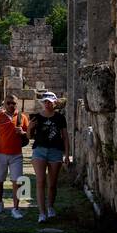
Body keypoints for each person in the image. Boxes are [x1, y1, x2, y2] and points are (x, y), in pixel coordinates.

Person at [29, 91, 69, 223]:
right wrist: (30, 127)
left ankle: (50, 206)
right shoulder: (36, 117)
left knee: (52, 183)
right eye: (45, 102)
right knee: (40, 182)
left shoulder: (60, 118)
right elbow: (29, 137)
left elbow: (65, 137)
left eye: (50, 102)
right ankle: (42, 213)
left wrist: (67, 155)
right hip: (39, 151)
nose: (47, 104)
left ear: (54, 103)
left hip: (55, 151)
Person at [0, 94, 29, 218]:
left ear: (17, 104)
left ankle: (16, 208)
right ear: (4, 104)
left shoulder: (22, 118)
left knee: (17, 182)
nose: (11, 105)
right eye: (9, 103)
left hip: (16, 154)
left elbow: (28, 135)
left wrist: (23, 132)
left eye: (14, 103)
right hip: (1, 154)